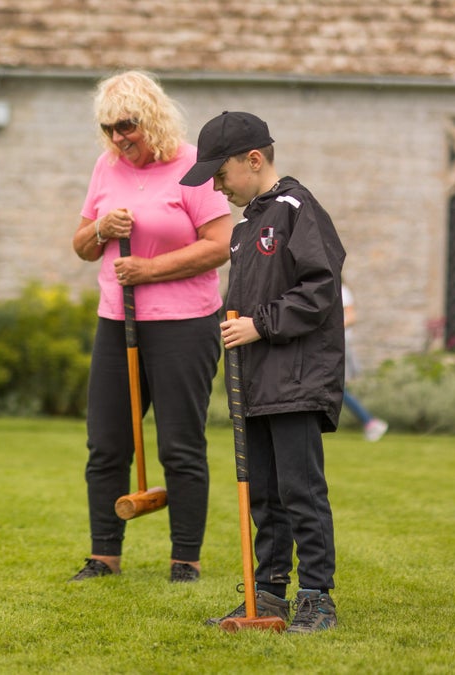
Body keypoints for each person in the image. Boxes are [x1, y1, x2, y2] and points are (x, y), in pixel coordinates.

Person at [181, 111, 345, 633]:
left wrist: (261, 325)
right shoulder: (245, 227)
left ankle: (317, 597)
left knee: (301, 491)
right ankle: (269, 594)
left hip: (295, 383)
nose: (216, 187)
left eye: (220, 174)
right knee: (265, 498)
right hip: (254, 386)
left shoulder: (298, 210)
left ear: (254, 159)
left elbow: (320, 288)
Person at [70, 71, 233, 584]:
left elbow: (220, 245)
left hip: (185, 323)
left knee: (180, 446)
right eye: (109, 128)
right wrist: (101, 228)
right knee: (106, 443)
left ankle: (185, 560)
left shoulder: (192, 167)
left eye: (127, 125)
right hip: (117, 321)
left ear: (153, 118)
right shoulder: (106, 167)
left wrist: (149, 269)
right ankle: (104, 556)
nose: (119, 137)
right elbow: (82, 245)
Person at [342, 284, 388, 441]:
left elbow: (351, 317)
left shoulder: (341, 290)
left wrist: (332, 329)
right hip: (332, 346)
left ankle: (370, 422)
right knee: (338, 388)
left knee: (338, 388)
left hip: (340, 345)